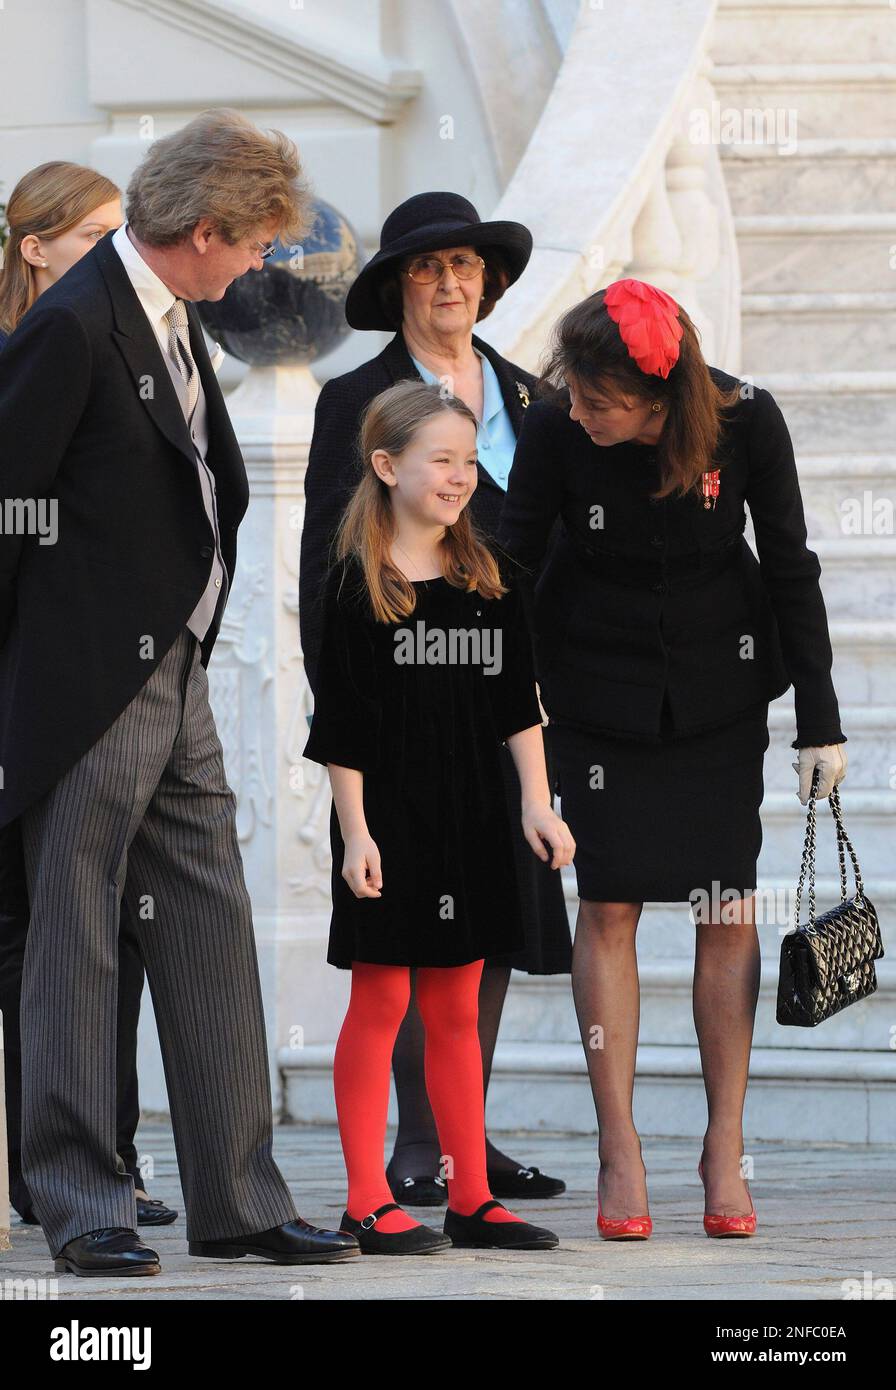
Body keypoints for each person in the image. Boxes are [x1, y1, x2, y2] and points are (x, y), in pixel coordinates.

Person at [0, 108, 358, 1276]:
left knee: (209, 927)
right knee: (76, 944)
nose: (259, 267)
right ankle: (81, 1200)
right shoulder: (70, 321)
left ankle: (240, 1199)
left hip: (176, 670)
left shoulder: (171, 313)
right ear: (204, 231)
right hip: (84, 685)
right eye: (253, 245)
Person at [497, 279, 847, 1240]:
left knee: (723, 907)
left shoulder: (747, 423)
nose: (580, 411)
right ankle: (620, 1146)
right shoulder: (557, 428)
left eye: (601, 402)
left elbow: (790, 563)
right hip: (594, 691)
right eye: (575, 393)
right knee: (607, 904)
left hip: (718, 687)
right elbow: (514, 561)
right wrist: (491, 695)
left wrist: (821, 720)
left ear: (659, 402)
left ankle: (723, 1146)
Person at [300, 192, 570, 1205]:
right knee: (405, 931)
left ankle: (462, 1140)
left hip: (506, 702)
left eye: (464, 264)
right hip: (399, 709)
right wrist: (347, 716)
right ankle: (411, 1144)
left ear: (487, 282)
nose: (450, 282)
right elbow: (325, 570)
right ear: (398, 286)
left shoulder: (534, 399)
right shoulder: (354, 401)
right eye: (426, 267)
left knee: (490, 918)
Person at [0, 159, 178, 1229]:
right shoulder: (51, 347)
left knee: (93, 923)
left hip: (72, 680)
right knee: (37, 931)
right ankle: (59, 1164)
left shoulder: (118, 335)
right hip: (25, 677)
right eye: (94, 233)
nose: (115, 250)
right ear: (36, 247)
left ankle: (95, 1155)